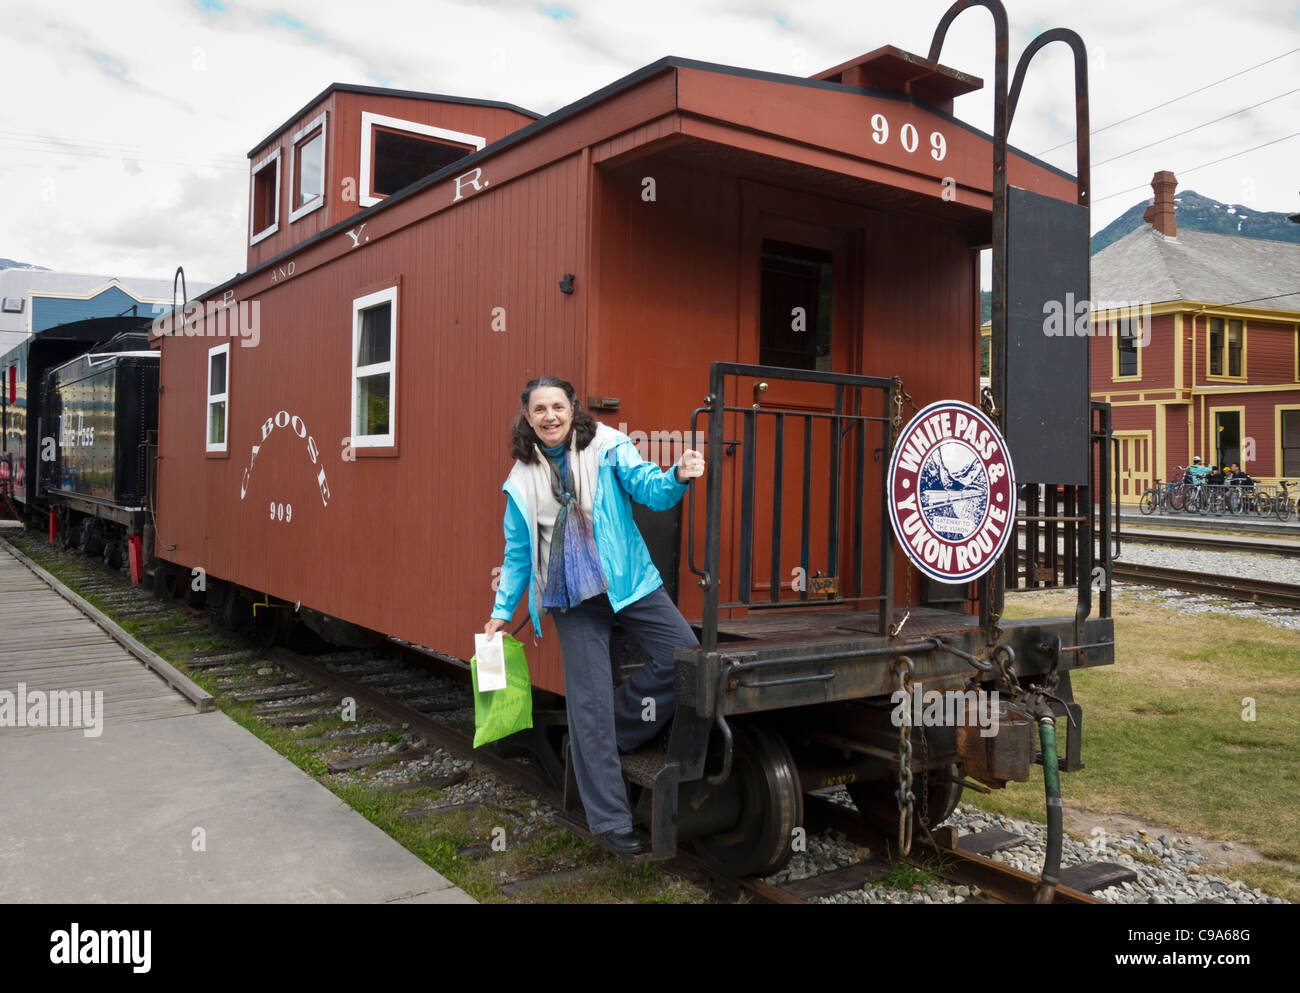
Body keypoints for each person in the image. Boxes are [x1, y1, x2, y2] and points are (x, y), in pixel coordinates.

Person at [484, 375, 704, 856]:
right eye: (539, 410)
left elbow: (650, 489)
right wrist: (502, 613)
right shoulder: (521, 481)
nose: (550, 417)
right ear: (528, 417)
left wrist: (678, 476)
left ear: (573, 409)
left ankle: (612, 734)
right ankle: (609, 822)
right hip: (571, 599)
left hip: (629, 583)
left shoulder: (608, 445)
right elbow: (519, 555)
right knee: (588, 703)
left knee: (685, 656)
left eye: (557, 407)